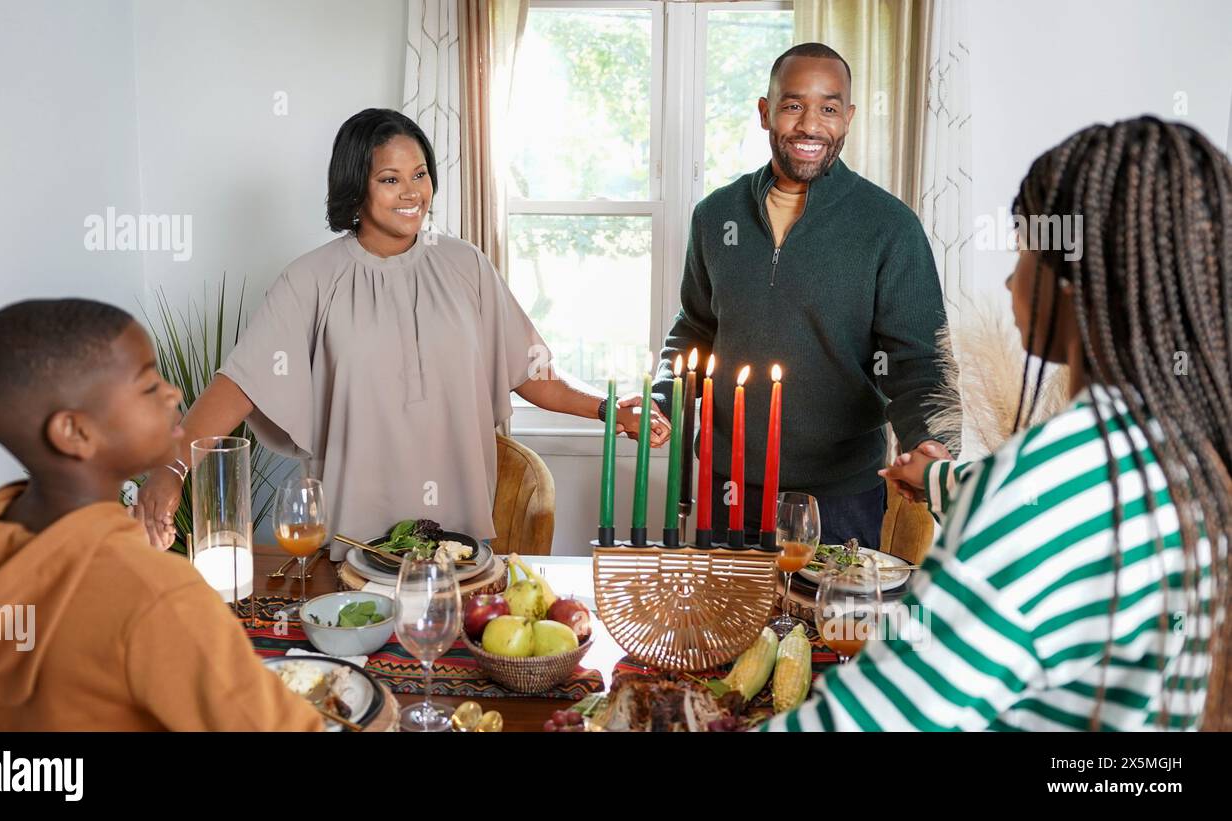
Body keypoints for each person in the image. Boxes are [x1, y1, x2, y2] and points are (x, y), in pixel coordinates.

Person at [767, 117, 1230, 731]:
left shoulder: (1056, 479)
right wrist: (935, 477)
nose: (1012, 279)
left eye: (1024, 250)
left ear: (1078, 281)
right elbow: (1038, 502)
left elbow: (868, 722)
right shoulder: (1190, 449)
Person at [134, 108, 668, 556]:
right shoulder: (311, 279)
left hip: (460, 544)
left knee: (450, 671)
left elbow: (531, 373)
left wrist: (610, 410)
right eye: (390, 179)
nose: (411, 192)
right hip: (353, 543)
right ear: (355, 187)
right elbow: (240, 383)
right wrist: (172, 469)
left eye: (420, 174)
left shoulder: (466, 265)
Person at [0, 300, 323, 730]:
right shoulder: (159, 594)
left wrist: (128, 548)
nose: (173, 392)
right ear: (75, 432)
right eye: (148, 385)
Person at [652, 43, 955, 547]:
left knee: (827, 628)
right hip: (727, 486)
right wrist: (663, 397)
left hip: (839, 497)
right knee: (726, 628)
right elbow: (697, 327)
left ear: (849, 118)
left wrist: (930, 440)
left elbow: (919, 358)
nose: (811, 125)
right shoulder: (715, 216)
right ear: (766, 112)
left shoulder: (889, 226)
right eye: (793, 106)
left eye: (829, 108)